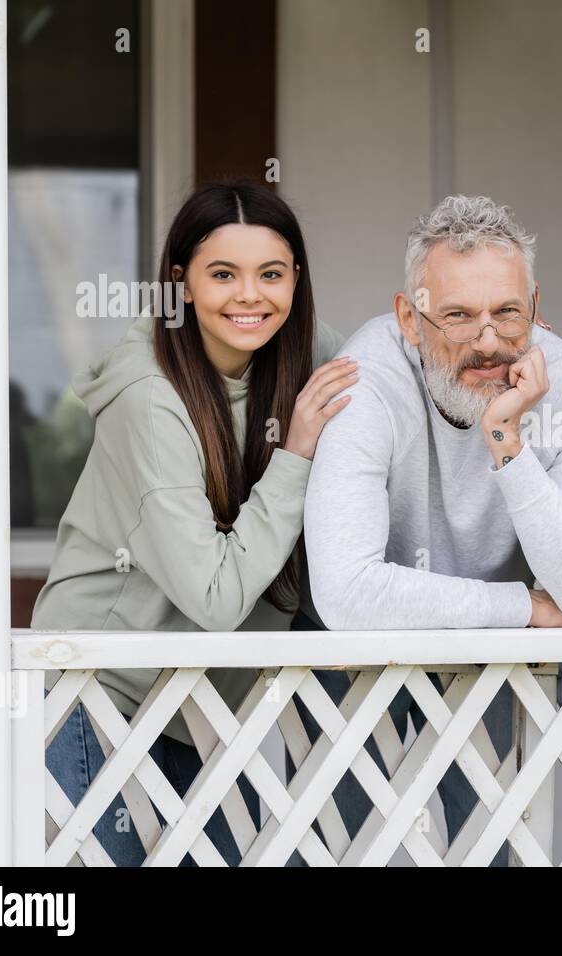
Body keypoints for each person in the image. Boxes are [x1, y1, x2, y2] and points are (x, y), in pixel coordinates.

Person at [296, 194, 562, 863]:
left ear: (534, 308)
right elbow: (343, 591)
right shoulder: (365, 381)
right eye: (457, 316)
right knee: (350, 856)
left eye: (507, 313)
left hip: (490, 661)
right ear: (409, 318)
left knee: (487, 852)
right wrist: (520, 608)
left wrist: (506, 439)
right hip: (357, 659)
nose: (487, 342)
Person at [34, 181, 355, 866]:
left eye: (271, 274)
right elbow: (214, 599)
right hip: (97, 690)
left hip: (197, 704)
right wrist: (295, 453)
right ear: (180, 282)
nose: (250, 296)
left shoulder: (306, 354)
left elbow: (409, 379)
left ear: (296, 278)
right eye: (222, 275)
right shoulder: (151, 401)